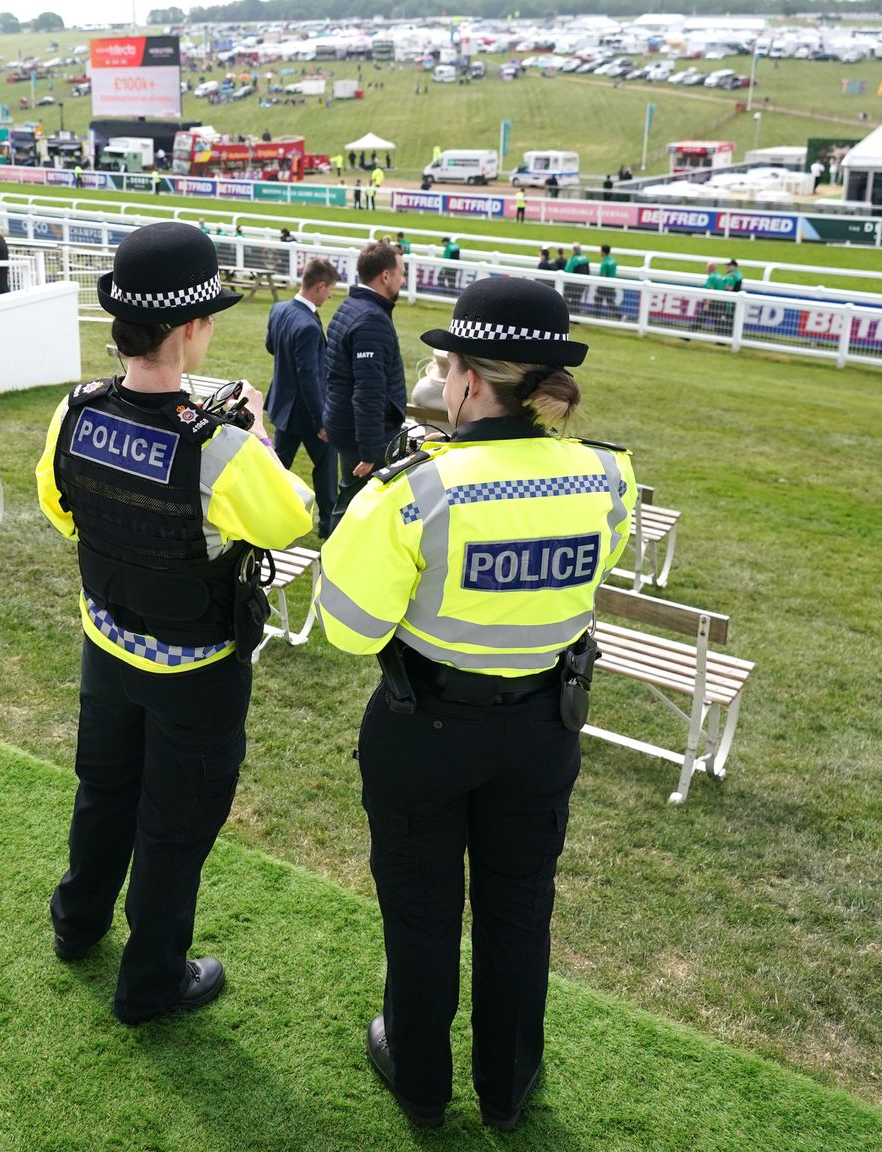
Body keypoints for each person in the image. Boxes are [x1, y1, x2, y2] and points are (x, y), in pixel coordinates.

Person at [314, 276, 633, 1133]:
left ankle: (421, 1082)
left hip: (426, 730)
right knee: (520, 908)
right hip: (543, 728)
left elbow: (346, 626)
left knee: (420, 914)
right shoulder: (607, 476)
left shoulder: (416, 489)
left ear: (461, 379)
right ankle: (508, 1086)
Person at [35, 221, 314, 1026]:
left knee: (103, 794)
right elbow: (289, 520)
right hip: (197, 668)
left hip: (106, 643)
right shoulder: (222, 444)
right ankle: (150, 981)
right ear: (190, 330)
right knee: (172, 829)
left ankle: (76, 925)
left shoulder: (74, 411)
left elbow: (62, 511)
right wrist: (257, 430)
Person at [323, 242, 408, 534]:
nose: (403, 280)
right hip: (365, 436)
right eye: (401, 273)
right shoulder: (371, 319)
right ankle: (337, 564)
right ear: (385, 276)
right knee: (356, 505)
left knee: (351, 496)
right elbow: (368, 392)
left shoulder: (350, 306)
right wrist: (371, 452)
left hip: (346, 426)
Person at [265, 258, 341, 536]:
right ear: (320, 286)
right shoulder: (308, 326)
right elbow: (309, 379)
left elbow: (271, 346)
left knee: (276, 471)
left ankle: (266, 516)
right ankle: (327, 526)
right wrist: (322, 422)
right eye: (330, 288)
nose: (331, 294)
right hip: (308, 414)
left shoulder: (279, 309)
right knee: (326, 471)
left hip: (283, 408)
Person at [563, 244, 591, 313]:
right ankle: (575, 315)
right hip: (583, 283)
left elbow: (568, 272)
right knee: (576, 299)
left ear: (574, 250)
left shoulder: (573, 260)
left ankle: (569, 313)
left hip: (574, 284)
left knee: (564, 296)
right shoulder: (585, 257)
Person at [596, 244, 619, 315]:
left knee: (598, 298)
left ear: (603, 252)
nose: (599, 253)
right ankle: (619, 315)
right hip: (612, 283)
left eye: (600, 251)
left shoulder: (604, 263)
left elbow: (602, 275)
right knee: (609, 300)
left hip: (605, 285)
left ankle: (597, 315)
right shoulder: (613, 261)